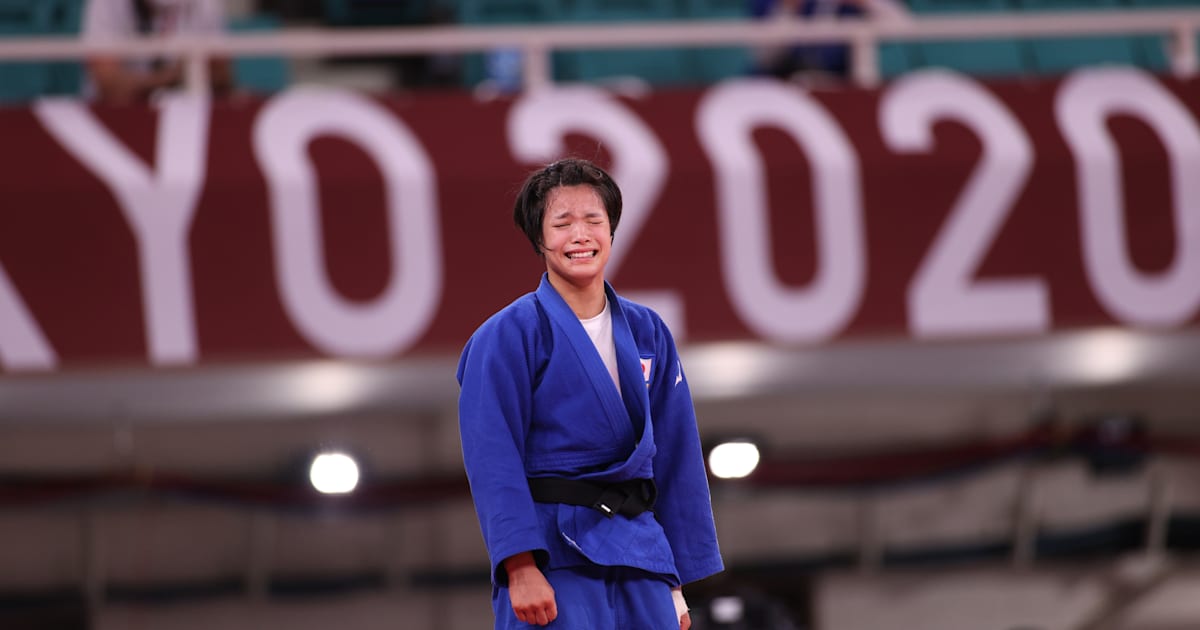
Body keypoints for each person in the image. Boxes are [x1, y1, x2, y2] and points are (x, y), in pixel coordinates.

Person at [457, 158, 724, 629]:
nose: (580, 236)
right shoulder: (507, 335)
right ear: (539, 239)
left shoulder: (648, 330)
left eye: (593, 222)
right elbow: (491, 457)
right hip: (554, 553)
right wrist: (520, 566)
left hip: (641, 553)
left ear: (612, 231)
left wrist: (675, 578)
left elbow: (677, 454)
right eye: (562, 224)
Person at [81, 0, 233, 104]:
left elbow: (222, 77)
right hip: (116, 122)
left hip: (183, 119)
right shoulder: (107, 4)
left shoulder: (205, 4)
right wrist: (177, 75)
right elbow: (108, 86)